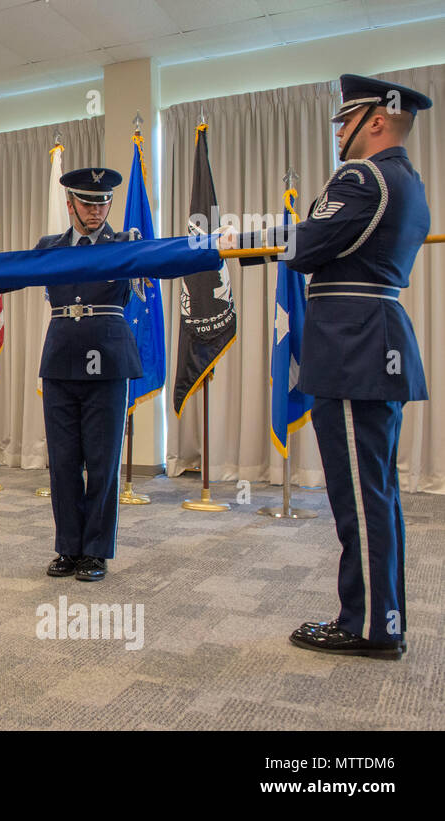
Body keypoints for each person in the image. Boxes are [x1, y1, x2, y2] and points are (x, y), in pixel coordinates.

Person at [222, 74, 432, 659]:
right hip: (373, 341)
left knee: (360, 496)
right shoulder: (408, 181)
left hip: (352, 348)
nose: (339, 129)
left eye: (348, 119)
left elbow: (310, 245)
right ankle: (382, 617)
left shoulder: (363, 177)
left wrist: (244, 237)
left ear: (378, 122)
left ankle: (367, 626)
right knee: (377, 492)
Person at [0, 169, 142, 580]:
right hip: (62, 358)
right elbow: (10, 278)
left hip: (107, 357)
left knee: (103, 461)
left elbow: (169, 260)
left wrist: (214, 246)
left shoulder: (126, 243)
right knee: (64, 461)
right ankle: (69, 547)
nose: (96, 210)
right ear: (71, 205)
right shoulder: (50, 247)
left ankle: (96, 551)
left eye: (102, 202)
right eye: (87, 202)